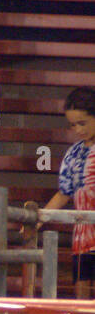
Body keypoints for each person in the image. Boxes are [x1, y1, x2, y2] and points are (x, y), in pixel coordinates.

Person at [44, 87, 95, 300]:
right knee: (83, 295)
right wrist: (38, 219)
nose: (78, 129)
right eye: (73, 125)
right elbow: (64, 193)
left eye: (82, 123)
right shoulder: (73, 154)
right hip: (83, 235)